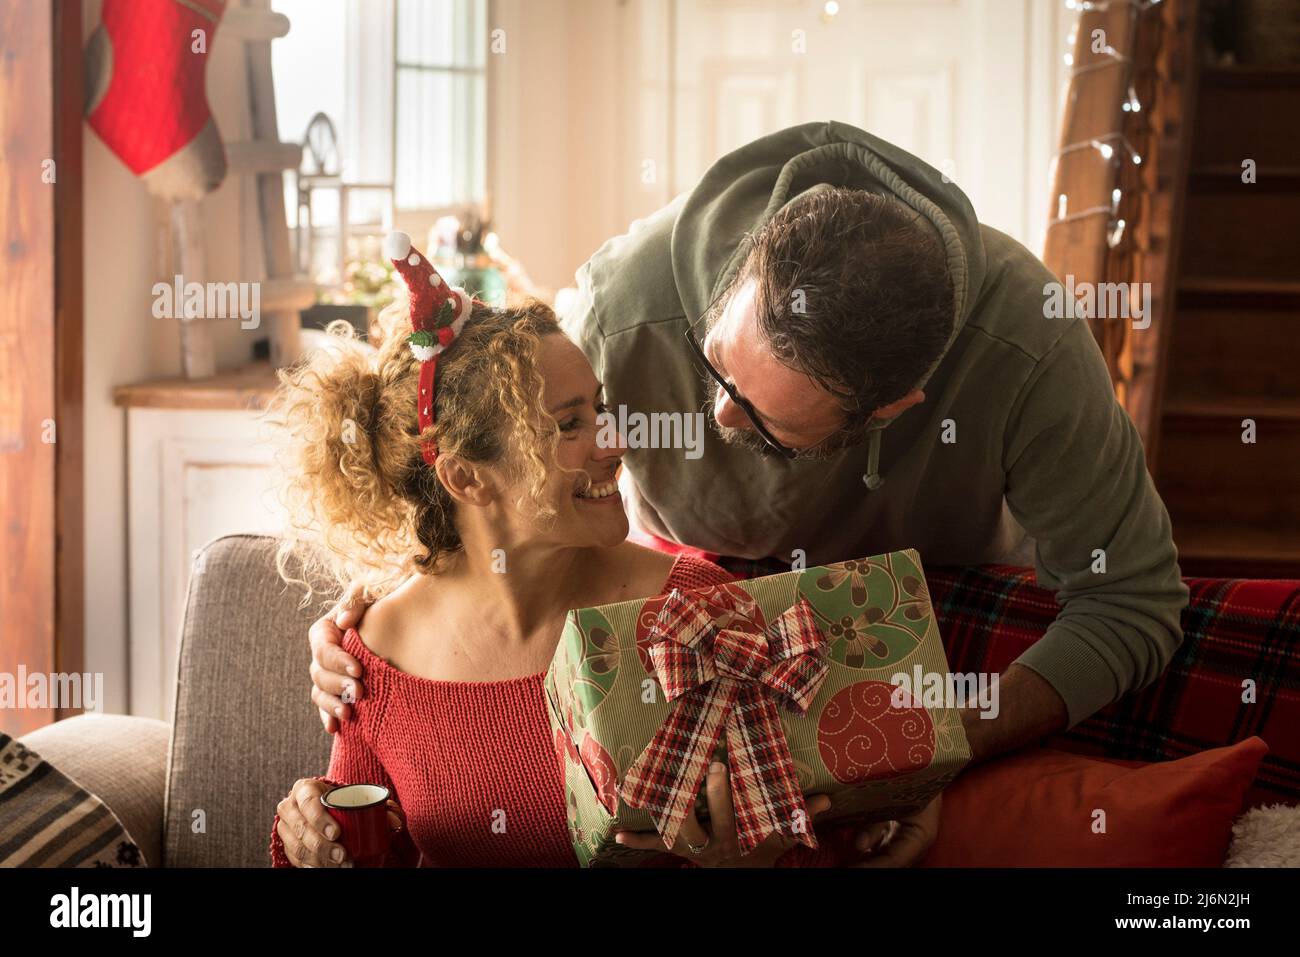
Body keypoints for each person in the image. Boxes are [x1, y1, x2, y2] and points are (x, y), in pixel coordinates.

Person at [311, 122, 1189, 778]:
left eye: (765, 422)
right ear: (741, 274)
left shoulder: (1028, 347)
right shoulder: (627, 304)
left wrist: (940, 740)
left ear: (892, 409)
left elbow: (1133, 600)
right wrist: (391, 608)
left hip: (930, 644)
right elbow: (495, 479)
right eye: (716, 372)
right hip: (669, 648)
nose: (720, 425)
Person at [269, 234, 921, 868]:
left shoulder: (693, 608)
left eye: (601, 410)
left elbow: (825, 828)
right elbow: (365, 848)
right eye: (571, 424)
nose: (615, 444)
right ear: (467, 478)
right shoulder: (369, 657)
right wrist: (309, 836)